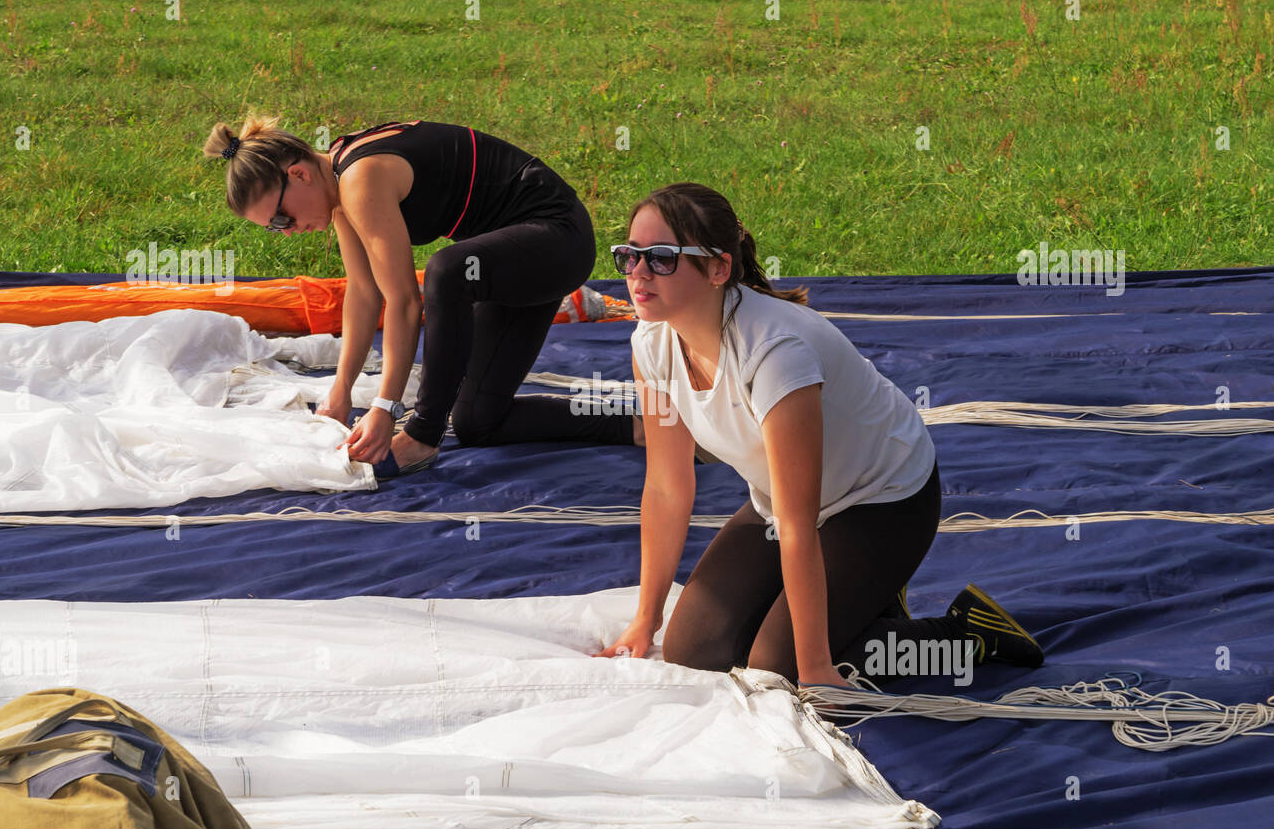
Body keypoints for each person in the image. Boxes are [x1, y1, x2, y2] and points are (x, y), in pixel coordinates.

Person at [595, 183, 1043, 689]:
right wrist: (646, 620)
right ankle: (863, 604)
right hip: (785, 506)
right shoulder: (651, 343)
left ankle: (966, 633)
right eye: (628, 256)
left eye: (661, 258)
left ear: (719, 269)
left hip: (883, 500)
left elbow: (798, 521)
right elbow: (666, 486)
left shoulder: (776, 353)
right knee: (693, 651)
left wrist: (813, 669)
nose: (637, 273)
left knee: (776, 670)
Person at [201, 115, 644, 478]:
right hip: (512, 262)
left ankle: (423, 435)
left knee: (446, 272)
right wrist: (341, 390)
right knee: (477, 422)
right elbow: (363, 293)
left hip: (556, 240)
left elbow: (404, 302)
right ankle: (640, 429)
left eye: (281, 219)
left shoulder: (360, 179)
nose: (288, 231)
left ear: (297, 174)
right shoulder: (338, 189)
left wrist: (385, 408)